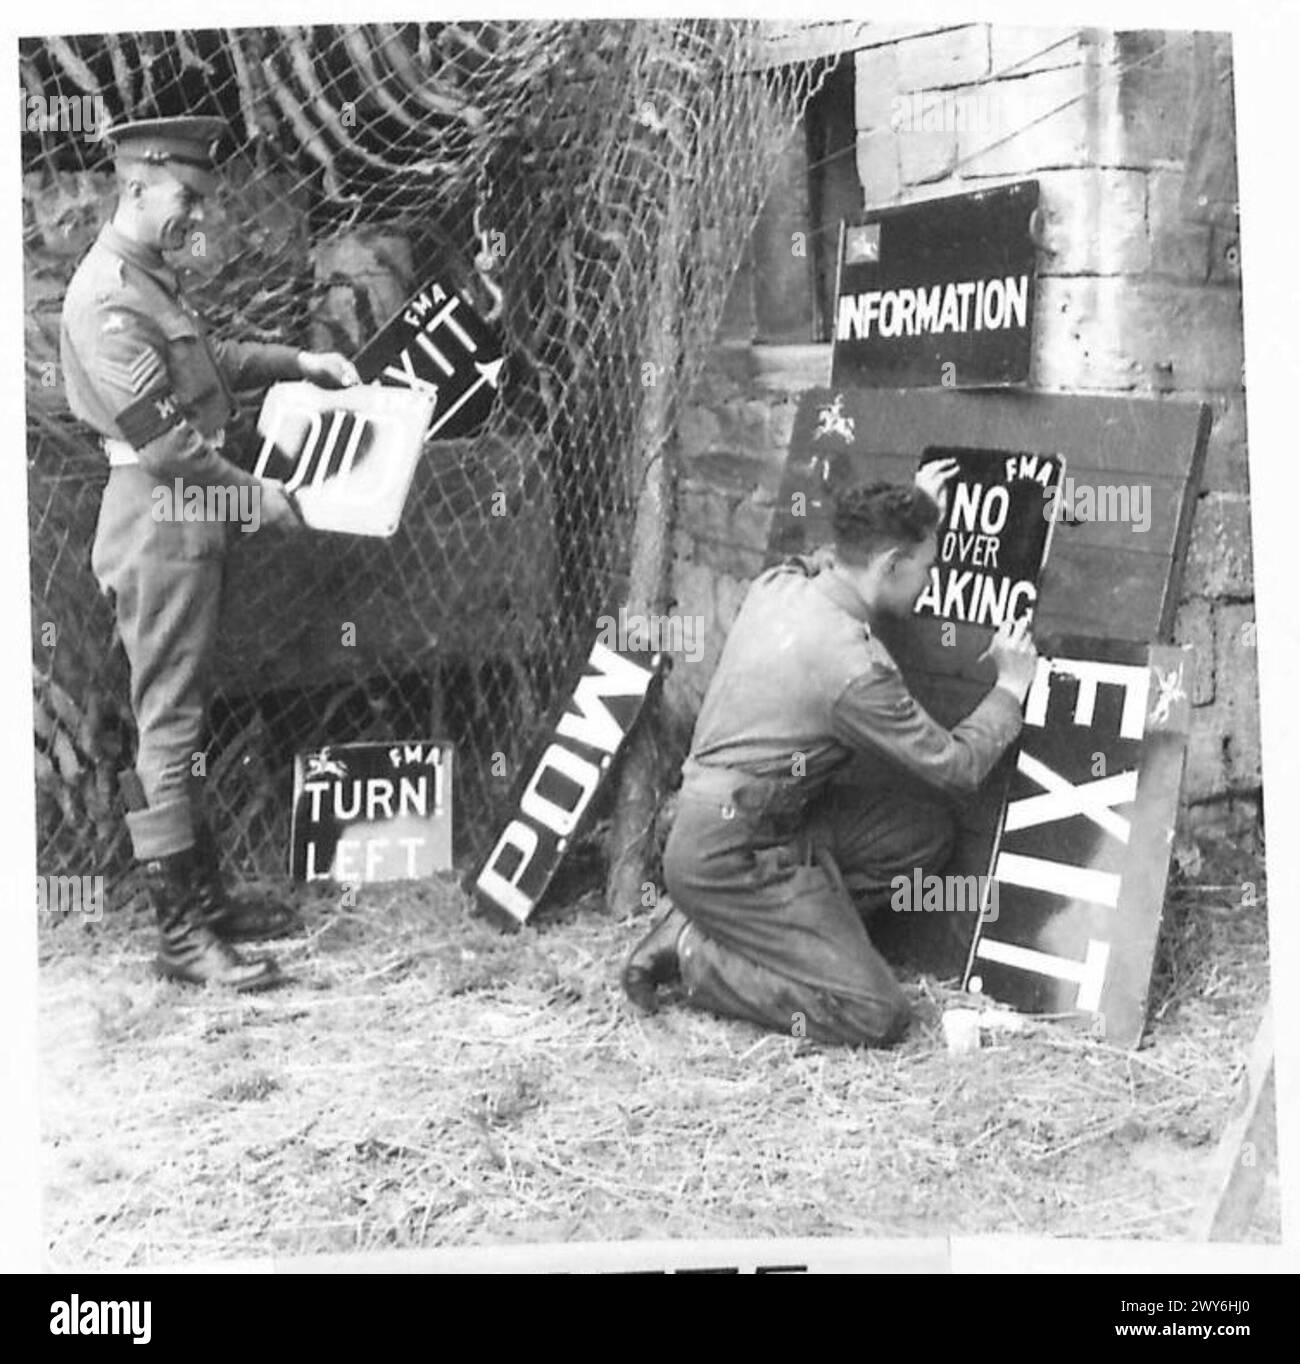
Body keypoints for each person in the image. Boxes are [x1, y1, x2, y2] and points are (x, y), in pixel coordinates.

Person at [59, 116, 361, 991]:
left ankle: (205, 900)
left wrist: (300, 362)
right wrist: (259, 499)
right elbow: (167, 445)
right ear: (137, 184)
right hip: (161, 517)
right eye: (186, 197)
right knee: (168, 725)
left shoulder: (146, 278)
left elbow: (209, 361)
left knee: (184, 717)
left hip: (185, 514)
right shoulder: (106, 297)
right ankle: (180, 933)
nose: (197, 215)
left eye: (201, 198)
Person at [622, 466, 1039, 1045]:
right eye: (926, 566)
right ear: (890, 564)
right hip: (729, 855)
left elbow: (830, 558)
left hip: (762, 823)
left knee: (920, 833)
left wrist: (914, 504)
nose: (929, 581)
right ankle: (696, 950)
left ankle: (782, 931)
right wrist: (1010, 689)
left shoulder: (779, 584)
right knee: (874, 1013)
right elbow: (956, 767)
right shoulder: (853, 668)